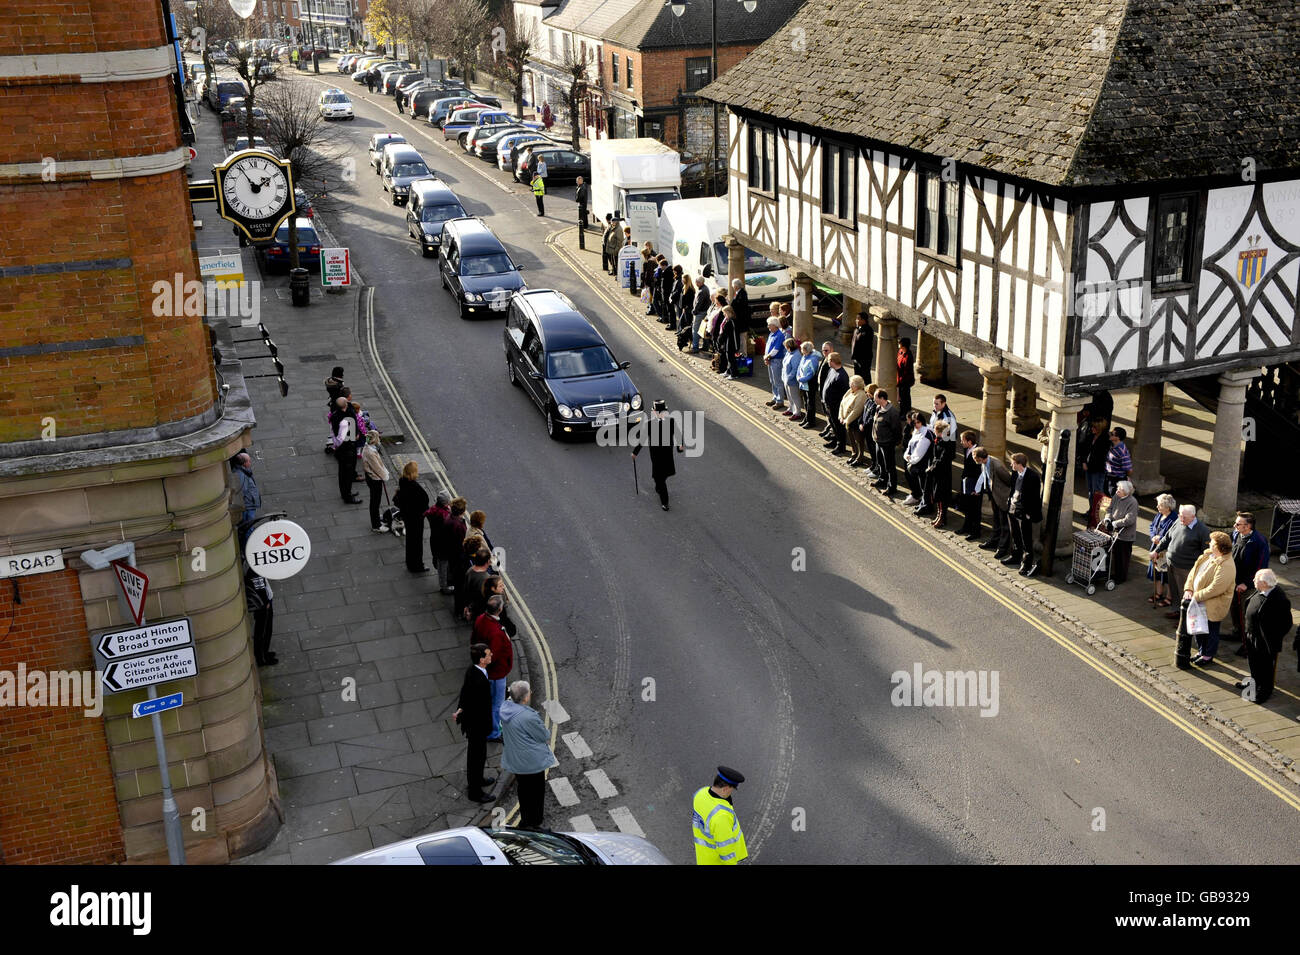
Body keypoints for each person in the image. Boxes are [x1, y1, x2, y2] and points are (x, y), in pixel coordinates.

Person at [499, 680, 558, 827]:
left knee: (524, 790)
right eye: (529, 692)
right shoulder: (527, 717)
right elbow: (543, 735)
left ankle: (525, 820)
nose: (531, 693)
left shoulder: (505, 708)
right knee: (536, 793)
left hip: (516, 760)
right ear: (525, 698)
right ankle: (535, 822)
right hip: (531, 762)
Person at [1237, 569, 1292, 703]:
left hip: (1265, 641)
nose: (1253, 581)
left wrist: (1272, 638)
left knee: (1266, 666)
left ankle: (1265, 691)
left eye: (1257, 579)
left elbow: (1286, 623)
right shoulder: (1260, 590)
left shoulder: (1279, 599)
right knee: (1253, 662)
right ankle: (1254, 683)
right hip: (1251, 635)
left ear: (1266, 583)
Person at [1183, 531, 1235, 666]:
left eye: (1212, 542)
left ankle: (1208, 655)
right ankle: (1201, 651)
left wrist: (1196, 596)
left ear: (1219, 547)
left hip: (1212, 604)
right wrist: (1188, 588)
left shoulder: (1227, 565)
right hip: (1199, 601)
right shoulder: (1206, 556)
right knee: (1199, 628)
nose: (1209, 543)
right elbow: (1193, 572)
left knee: (1210, 631)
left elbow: (1216, 588)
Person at [453, 643, 496, 803]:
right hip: (477, 727)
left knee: (479, 757)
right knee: (476, 759)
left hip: (475, 725)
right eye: (488, 654)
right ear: (481, 659)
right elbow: (476, 705)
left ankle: (478, 780)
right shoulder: (478, 679)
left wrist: (460, 709)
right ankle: (475, 792)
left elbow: (465, 693)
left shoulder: (473, 670)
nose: (491, 656)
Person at [1154, 504, 1211, 620]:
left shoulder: (1202, 530)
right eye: (1180, 516)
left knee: (1185, 594)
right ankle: (1176, 611)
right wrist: (1156, 550)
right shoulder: (1178, 522)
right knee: (1174, 590)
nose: (1181, 519)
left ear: (1193, 516)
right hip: (1171, 564)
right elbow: (1167, 537)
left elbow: (1206, 553)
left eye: (1185, 517)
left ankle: (1185, 619)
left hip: (1186, 568)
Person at [472, 594, 514, 740]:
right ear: (500, 609)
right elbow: (493, 656)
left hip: (486, 671)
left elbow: (473, 640)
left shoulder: (480, 619)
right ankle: (493, 733)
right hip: (496, 674)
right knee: (497, 704)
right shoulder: (495, 632)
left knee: (489, 701)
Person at [631, 399, 684, 511]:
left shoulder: (671, 421)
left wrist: (680, 445)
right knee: (660, 478)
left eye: (662, 412)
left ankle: (659, 486)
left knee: (662, 476)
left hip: (667, 455)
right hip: (655, 456)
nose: (660, 414)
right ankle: (665, 502)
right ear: (654, 413)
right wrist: (635, 453)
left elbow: (678, 434)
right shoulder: (649, 424)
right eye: (658, 412)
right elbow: (642, 439)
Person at [1228, 511, 1270, 647]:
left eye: (1238, 524)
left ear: (1248, 526)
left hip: (1248, 585)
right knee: (1234, 608)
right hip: (1234, 581)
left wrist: (1246, 583)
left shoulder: (1259, 541)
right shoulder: (1236, 534)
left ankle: (1248, 644)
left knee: (1247, 613)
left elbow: (1261, 567)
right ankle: (1237, 632)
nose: (1234, 525)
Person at [692, 766, 748, 865]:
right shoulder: (721, 816)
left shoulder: (701, 793)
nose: (731, 793)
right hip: (717, 861)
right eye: (732, 789)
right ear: (725, 789)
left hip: (704, 857)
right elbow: (725, 849)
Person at [1005, 452, 1042, 575]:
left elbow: (1036, 497)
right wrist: (1009, 502)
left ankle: (1026, 563)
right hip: (1013, 508)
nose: (1011, 464)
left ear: (1019, 464)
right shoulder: (1015, 473)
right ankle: (1015, 556)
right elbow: (1013, 489)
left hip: (1024, 512)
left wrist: (1029, 514)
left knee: (1026, 539)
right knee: (1015, 535)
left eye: (1013, 463)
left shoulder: (1033, 477)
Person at [974, 447, 1015, 557]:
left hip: (1002, 498)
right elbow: (985, 477)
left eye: (975, 458)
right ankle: (994, 541)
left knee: (1004, 524)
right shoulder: (984, 463)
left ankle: (1002, 548)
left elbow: (1009, 481)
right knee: (996, 520)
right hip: (994, 496)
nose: (974, 459)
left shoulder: (997, 466)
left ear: (980, 458)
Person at [393, 461, 430, 572]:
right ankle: (417, 565)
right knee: (417, 542)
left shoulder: (402, 481)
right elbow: (425, 500)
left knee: (410, 540)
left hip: (407, 516)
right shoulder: (414, 486)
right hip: (416, 518)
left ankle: (410, 563)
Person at [1101, 480, 1138, 583]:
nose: (1117, 490)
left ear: (1126, 492)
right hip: (1114, 533)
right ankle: (1115, 574)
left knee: (1123, 557)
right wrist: (1108, 519)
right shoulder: (1116, 496)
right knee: (1116, 554)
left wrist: (1114, 524)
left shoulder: (1133, 502)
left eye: (1119, 489)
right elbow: (1109, 509)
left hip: (1126, 535)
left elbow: (1129, 520)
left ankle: (1121, 577)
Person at [1146, 493, 1178, 609]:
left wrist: (1160, 539)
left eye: (1160, 505)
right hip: (1155, 548)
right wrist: (1153, 536)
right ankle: (1158, 593)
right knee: (1156, 571)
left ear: (1167, 507)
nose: (1157, 507)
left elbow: (1173, 536)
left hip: (1167, 551)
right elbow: (1152, 526)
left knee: (1167, 574)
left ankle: (1169, 597)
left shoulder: (1174, 519)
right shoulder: (1159, 515)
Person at [923, 420, 954, 525]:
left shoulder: (948, 442)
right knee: (937, 495)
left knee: (941, 496)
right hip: (937, 472)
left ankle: (942, 517)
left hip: (943, 473)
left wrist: (932, 468)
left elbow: (943, 459)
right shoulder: (940, 440)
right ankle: (939, 515)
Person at [871, 389, 902, 494]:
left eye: (875, 397)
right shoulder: (878, 408)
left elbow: (897, 430)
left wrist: (894, 442)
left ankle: (892, 487)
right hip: (878, 442)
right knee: (880, 463)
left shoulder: (892, 413)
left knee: (890, 466)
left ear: (882, 398)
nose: (874, 399)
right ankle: (882, 480)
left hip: (887, 444)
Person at [331, 397, 361, 504]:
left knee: (348, 471)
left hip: (351, 445)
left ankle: (347, 492)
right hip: (345, 449)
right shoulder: (338, 418)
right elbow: (339, 436)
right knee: (345, 474)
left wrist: (356, 433)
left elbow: (354, 420)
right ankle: (347, 497)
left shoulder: (348, 410)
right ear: (345, 405)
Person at [244, 566, 276, 666]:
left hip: (265, 604)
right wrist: (266, 603)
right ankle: (261, 659)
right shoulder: (255, 572)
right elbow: (260, 589)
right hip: (262, 606)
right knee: (262, 632)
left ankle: (265, 653)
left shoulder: (257, 569)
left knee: (266, 630)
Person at [820, 353, 850, 454]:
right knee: (833, 425)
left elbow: (844, 395)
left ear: (832, 361)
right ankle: (834, 441)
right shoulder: (832, 370)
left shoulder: (842, 376)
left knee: (838, 427)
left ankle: (841, 446)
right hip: (828, 404)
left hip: (835, 406)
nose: (827, 362)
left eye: (828, 360)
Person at [902, 411, 934, 506]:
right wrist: (907, 456)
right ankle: (921, 501)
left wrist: (910, 459)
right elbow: (909, 447)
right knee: (920, 484)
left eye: (918, 422)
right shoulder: (916, 431)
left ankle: (926, 505)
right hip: (915, 463)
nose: (916, 425)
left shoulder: (926, 433)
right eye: (914, 423)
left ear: (922, 422)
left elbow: (919, 453)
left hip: (922, 464)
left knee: (924, 486)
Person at [1082, 418, 1109, 528]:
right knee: (1090, 492)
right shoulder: (1091, 436)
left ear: (1099, 429)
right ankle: (1092, 510)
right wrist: (1084, 461)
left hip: (1098, 470)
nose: (1091, 429)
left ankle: (1098, 514)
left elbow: (1102, 458)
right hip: (1089, 468)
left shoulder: (1105, 440)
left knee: (1098, 493)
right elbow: (1084, 448)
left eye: (1094, 427)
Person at [231, 451, 261, 548]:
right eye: (249, 461)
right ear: (244, 463)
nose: (250, 463)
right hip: (248, 507)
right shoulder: (240, 474)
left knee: (248, 528)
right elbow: (241, 492)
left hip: (249, 505)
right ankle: (249, 549)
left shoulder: (243, 471)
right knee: (248, 529)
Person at [360, 432, 389, 532]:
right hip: (374, 480)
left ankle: (376, 519)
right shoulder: (370, 453)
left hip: (372, 478)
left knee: (375, 502)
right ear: (374, 440)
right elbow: (377, 468)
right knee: (375, 503)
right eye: (378, 438)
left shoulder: (369, 448)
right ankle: (376, 526)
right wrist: (385, 476)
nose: (379, 440)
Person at [958, 430, 983, 540]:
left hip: (975, 484)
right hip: (967, 482)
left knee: (975, 510)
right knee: (967, 507)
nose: (961, 442)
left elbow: (982, 474)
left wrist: (977, 489)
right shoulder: (966, 449)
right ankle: (966, 527)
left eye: (963, 440)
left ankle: (975, 532)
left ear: (969, 441)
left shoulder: (979, 452)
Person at [461, 546, 494, 623]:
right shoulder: (486, 578)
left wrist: (466, 606)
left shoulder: (470, 570)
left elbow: (465, 589)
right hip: (480, 609)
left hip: (471, 604)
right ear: (488, 562)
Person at [841, 375, 868, 466]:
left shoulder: (861, 394)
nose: (849, 385)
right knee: (852, 440)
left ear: (857, 385)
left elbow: (856, 410)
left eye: (851, 383)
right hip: (847, 421)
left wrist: (847, 420)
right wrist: (841, 416)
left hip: (855, 422)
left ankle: (860, 457)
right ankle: (854, 454)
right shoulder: (850, 391)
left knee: (858, 440)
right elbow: (842, 402)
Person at [762, 317, 788, 407]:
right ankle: (775, 397)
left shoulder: (779, 335)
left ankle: (780, 401)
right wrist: (766, 357)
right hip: (771, 359)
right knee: (772, 381)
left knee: (778, 381)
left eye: (769, 324)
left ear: (775, 325)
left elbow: (775, 349)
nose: (768, 326)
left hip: (776, 360)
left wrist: (767, 357)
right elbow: (768, 347)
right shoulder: (771, 334)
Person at [795, 341, 821, 427]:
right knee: (805, 402)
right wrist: (798, 376)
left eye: (802, 349)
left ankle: (811, 422)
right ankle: (806, 419)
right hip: (803, 384)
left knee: (810, 404)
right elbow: (799, 367)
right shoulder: (804, 356)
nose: (801, 351)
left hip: (809, 384)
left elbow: (811, 374)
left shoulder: (813, 359)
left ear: (807, 350)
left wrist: (801, 379)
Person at [1104, 426, 1132, 498]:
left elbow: (1128, 469)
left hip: (1116, 480)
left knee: (1114, 498)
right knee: (1107, 496)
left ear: (1118, 438)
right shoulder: (1112, 446)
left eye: (1112, 434)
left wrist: (1125, 477)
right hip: (1109, 476)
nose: (1110, 435)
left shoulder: (1122, 451)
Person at [814, 341, 835, 438]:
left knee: (829, 413)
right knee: (825, 411)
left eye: (826, 350)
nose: (824, 352)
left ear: (832, 350)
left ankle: (832, 431)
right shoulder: (824, 359)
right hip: (821, 389)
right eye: (823, 350)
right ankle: (828, 427)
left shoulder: (832, 362)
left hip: (827, 392)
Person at [781, 338, 802, 421]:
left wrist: (789, 378)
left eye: (786, 346)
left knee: (795, 396)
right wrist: (784, 378)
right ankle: (790, 409)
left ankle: (797, 413)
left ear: (789, 346)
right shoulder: (788, 353)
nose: (785, 348)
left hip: (792, 380)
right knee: (789, 396)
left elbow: (795, 369)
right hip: (786, 379)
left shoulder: (796, 355)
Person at [717, 305, 741, 379]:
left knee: (731, 359)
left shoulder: (730, 322)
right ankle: (728, 371)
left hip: (731, 344)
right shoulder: (732, 321)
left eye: (724, 313)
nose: (724, 314)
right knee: (729, 359)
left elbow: (724, 334)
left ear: (729, 312)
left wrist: (719, 341)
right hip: (731, 343)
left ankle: (734, 374)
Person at [689, 274, 711, 353]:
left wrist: (694, 311)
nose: (696, 284)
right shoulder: (705, 288)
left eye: (697, 282)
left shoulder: (702, 291)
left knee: (695, 330)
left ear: (700, 282)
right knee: (704, 330)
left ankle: (695, 347)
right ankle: (705, 347)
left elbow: (699, 303)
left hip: (700, 313)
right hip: (705, 312)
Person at [851, 311, 874, 381]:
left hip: (864, 360)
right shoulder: (857, 329)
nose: (856, 320)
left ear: (863, 320)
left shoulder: (868, 331)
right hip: (856, 358)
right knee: (857, 378)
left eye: (858, 319)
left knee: (865, 377)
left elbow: (865, 345)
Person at [896, 337, 915, 415]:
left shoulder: (908, 356)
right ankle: (902, 411)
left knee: (905, 398)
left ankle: (906, 413)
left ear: (903, 345)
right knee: (901, 397)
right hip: (900, 378)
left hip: (905, 380)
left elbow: (907, 371)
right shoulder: (900, 351)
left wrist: (901, 382)